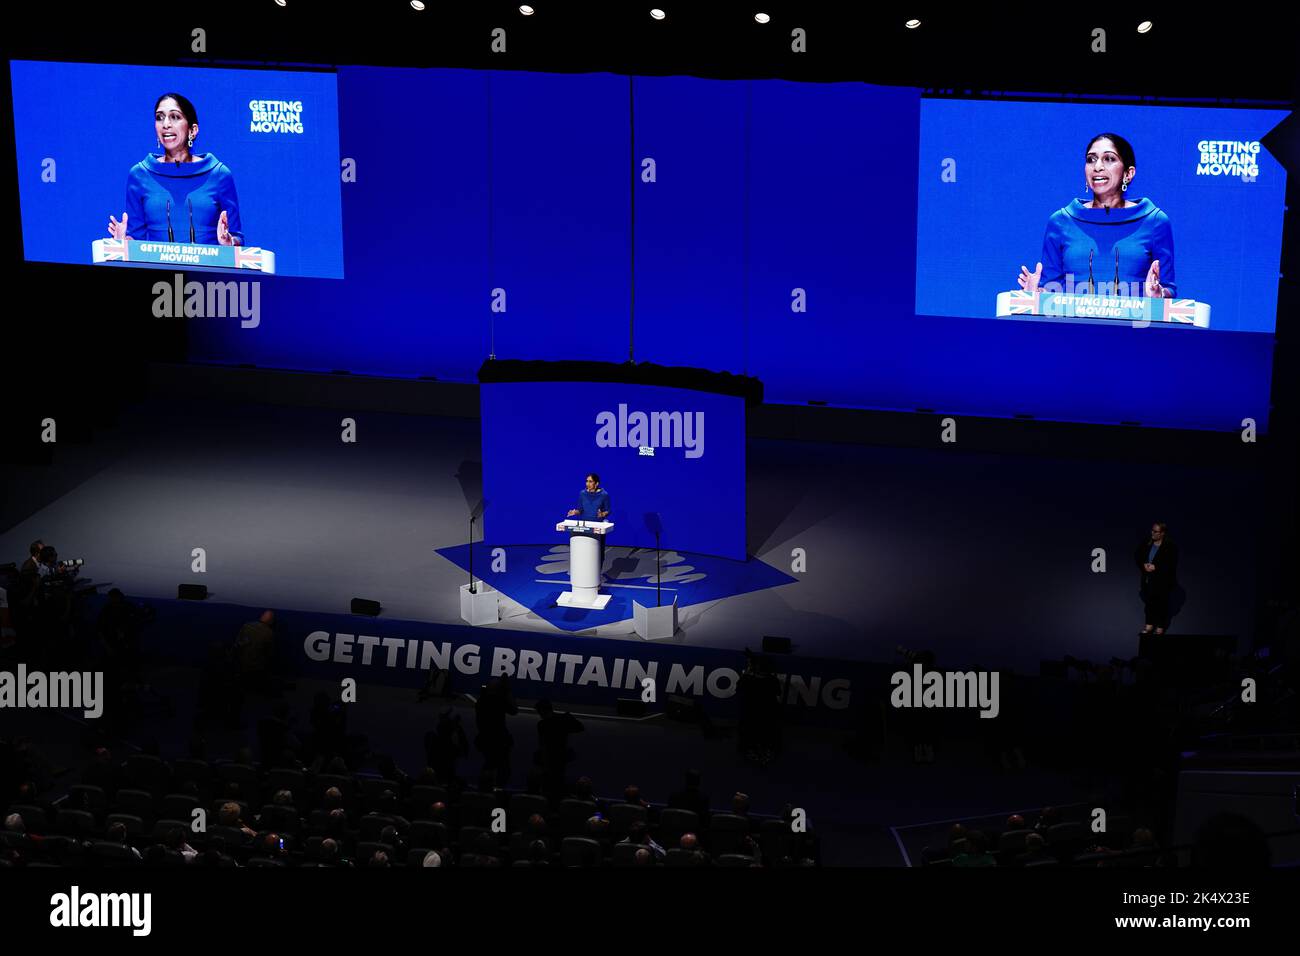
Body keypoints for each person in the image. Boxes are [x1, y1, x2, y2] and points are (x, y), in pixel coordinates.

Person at [1019, 133, 1176, 301]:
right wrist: (1035, 294)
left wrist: (1159, 294)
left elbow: (1169, 290)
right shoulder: (1061, 221)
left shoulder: (1154, 222)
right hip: (1073, 326)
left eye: (1109, 159)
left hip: (1134, 325)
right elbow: (1051, 291)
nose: (1097, 166)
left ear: (1128, 174)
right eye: (1091, 159)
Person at [107, 93, 244, 247]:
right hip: (157, 271)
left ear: (193, 130)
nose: (166, 124)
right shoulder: (139, 175)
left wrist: (228, 242)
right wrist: (123, 242)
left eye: (175, 117)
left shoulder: (219, 174)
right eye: (160, 117)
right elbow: (136, 240)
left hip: (207, 271)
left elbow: (237, 238)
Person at [1134, 522, 1179, 635]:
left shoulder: (1170, 546)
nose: (1152, 533)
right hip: (1148, 580)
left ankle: (1160, 627)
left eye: (1156, 531)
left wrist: (1156, 567)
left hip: (1163, 582)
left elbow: (1171, 564)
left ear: (1162, 533)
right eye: (1152, 530)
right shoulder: (1147, 543)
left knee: (1162, 604)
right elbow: (1137, 556)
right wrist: (1143, 565)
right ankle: (1149, 626)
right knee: (1149, 604)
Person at [566, 473, 611, 573]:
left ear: (596, 483)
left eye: (590, 481)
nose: (587, 484)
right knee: (584, 553)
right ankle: (584, 574)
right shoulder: (582, 493)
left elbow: (608, 510)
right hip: (585, 527)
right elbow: (581, 509)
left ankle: (597, 576)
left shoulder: (604, 495)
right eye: (587, 481)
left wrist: (602, 514)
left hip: (597, 528)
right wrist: (575, 512)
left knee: (598, 554)